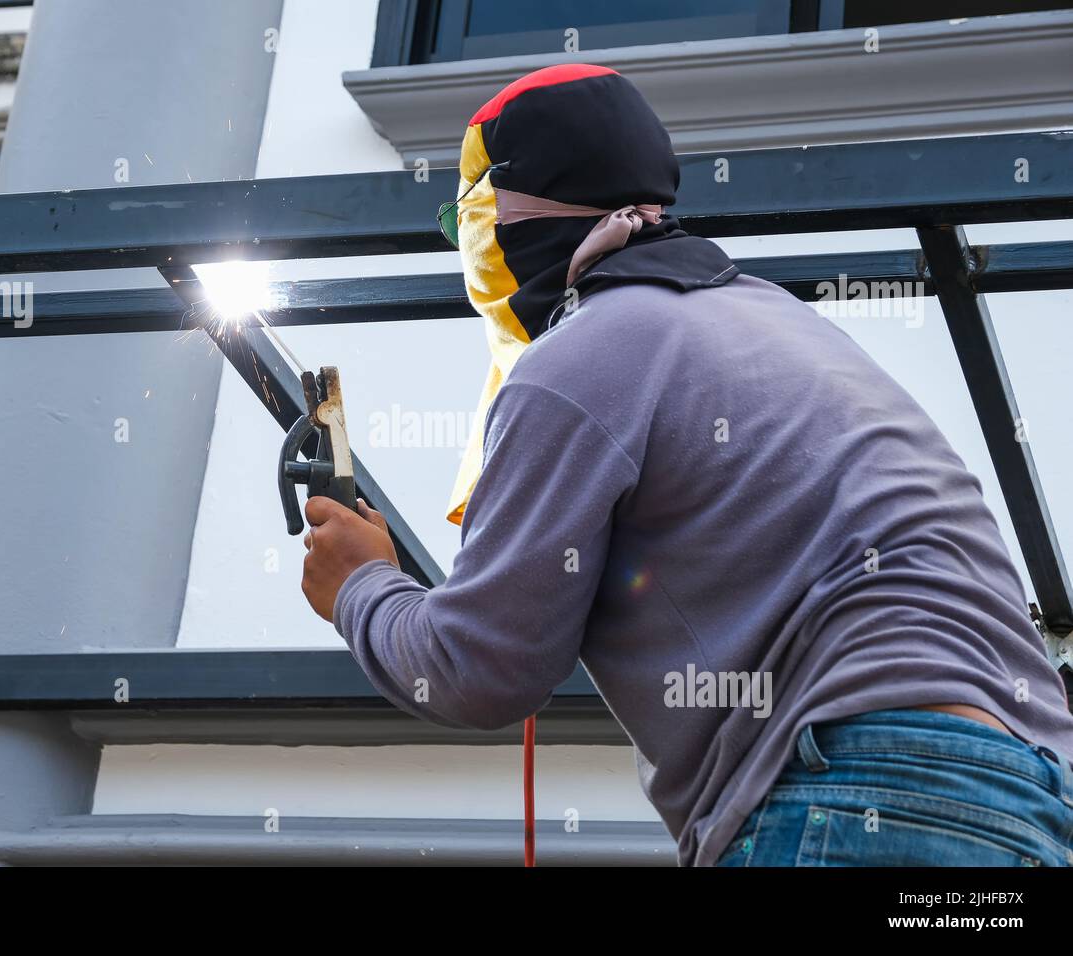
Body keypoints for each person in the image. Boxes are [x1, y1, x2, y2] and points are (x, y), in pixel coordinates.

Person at [299, 64, 1073, 866]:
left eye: (466, 217)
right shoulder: (774, 316)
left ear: (506, 215)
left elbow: (478, 668)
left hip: (852, 789)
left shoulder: (583, 355)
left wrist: (361, 584)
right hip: (1032, 803)